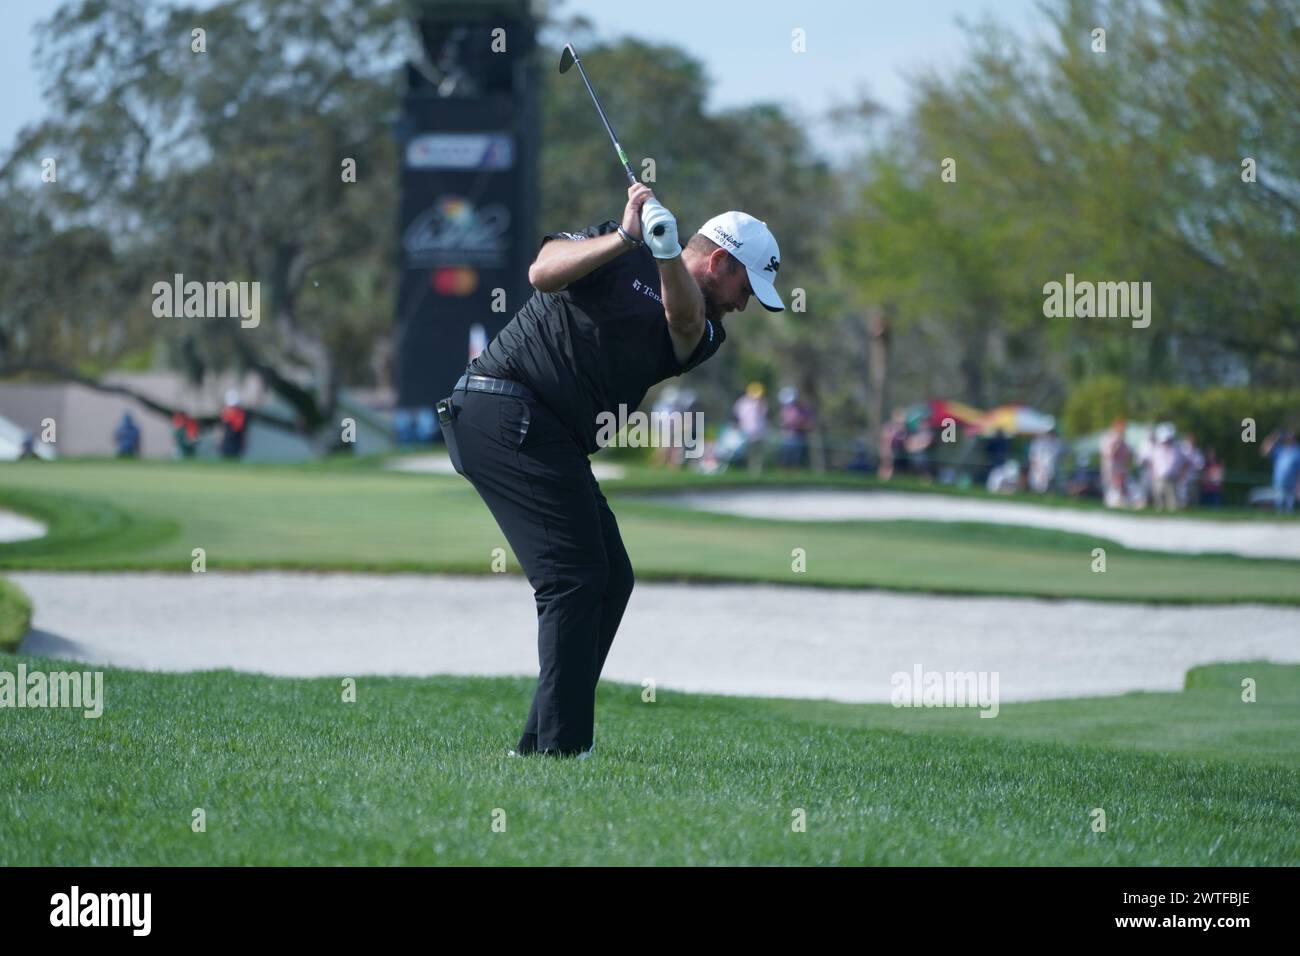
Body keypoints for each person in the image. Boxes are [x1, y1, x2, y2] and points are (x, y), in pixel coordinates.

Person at [439, 183, 784, 759]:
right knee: (573, 578)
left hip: (550, 434)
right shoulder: (614, 246)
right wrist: (626, 237)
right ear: (721, 261)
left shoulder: (707, 329)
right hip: (501, 406)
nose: (745, 304)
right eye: (746, 288)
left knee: (610, 578)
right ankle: (563, 750)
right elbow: (542, 272)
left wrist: (666, 251)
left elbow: (683, 321)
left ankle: (539, 743)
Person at [733, 382, 769, 475]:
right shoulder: (742, 403)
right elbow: (737, 416)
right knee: (747, 452)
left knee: (758, 454)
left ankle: (757, 471)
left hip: (760, 432)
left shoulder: (762, 403)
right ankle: (747, 470)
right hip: (746, 432)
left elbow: (764, 415)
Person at [1262, 429, 1300, 514]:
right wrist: (1273, 437)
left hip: (1293, 485)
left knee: (1290, 509)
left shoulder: (1297, 451)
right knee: (1279, 507)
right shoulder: (1280, 449)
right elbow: (1265, 452)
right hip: (1279, 484)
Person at [1149, 423, 1185, 511]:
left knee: (1172, 501)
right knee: (1159, 500)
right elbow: (1152, 463)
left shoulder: (1176, 449)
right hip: (1159, 478)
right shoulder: (1157, 449)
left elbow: (1180, 463)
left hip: (1172, 478)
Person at [1099, 418, 1131, 509]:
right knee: (1111, 492)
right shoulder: (1109, 438)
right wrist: (1118, 442)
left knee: (1120, 492)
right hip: (1110, 470)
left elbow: (1127, 456)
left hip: (1120, 470)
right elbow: (1110, 454)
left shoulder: (1124, 441)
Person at [1027, 427, 1063, 494]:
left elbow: (1059, 457)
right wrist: (1039, 470)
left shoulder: (1057, 443)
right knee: (1038, 487)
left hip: (1051, 470)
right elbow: (1033, 459)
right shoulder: (1038, 443)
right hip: (1039, 470)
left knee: (1049, 488)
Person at [219, 390, 248, 459]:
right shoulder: (226, 412)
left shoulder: (240, 414)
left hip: (236, 441)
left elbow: (242, 430)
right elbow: (222, 429)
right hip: (227, 441)